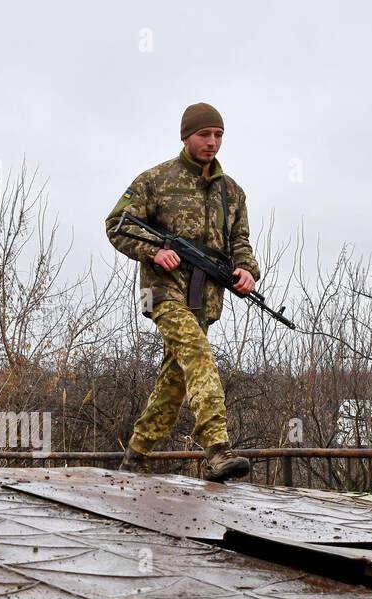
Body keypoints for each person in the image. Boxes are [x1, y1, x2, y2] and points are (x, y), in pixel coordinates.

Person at [106, 102, 260, 482]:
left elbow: (240, 241)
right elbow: (116, 225)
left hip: (204, 300)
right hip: (161, 293)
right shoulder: (156, 180)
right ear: (186, 136)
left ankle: (136, 456)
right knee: (197, 352)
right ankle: (217, 450)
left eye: (218, 135)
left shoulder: (232, 193)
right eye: (205, 134)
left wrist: (246, 271)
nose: (212, 142)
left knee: (174, 380)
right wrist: (155, 252)